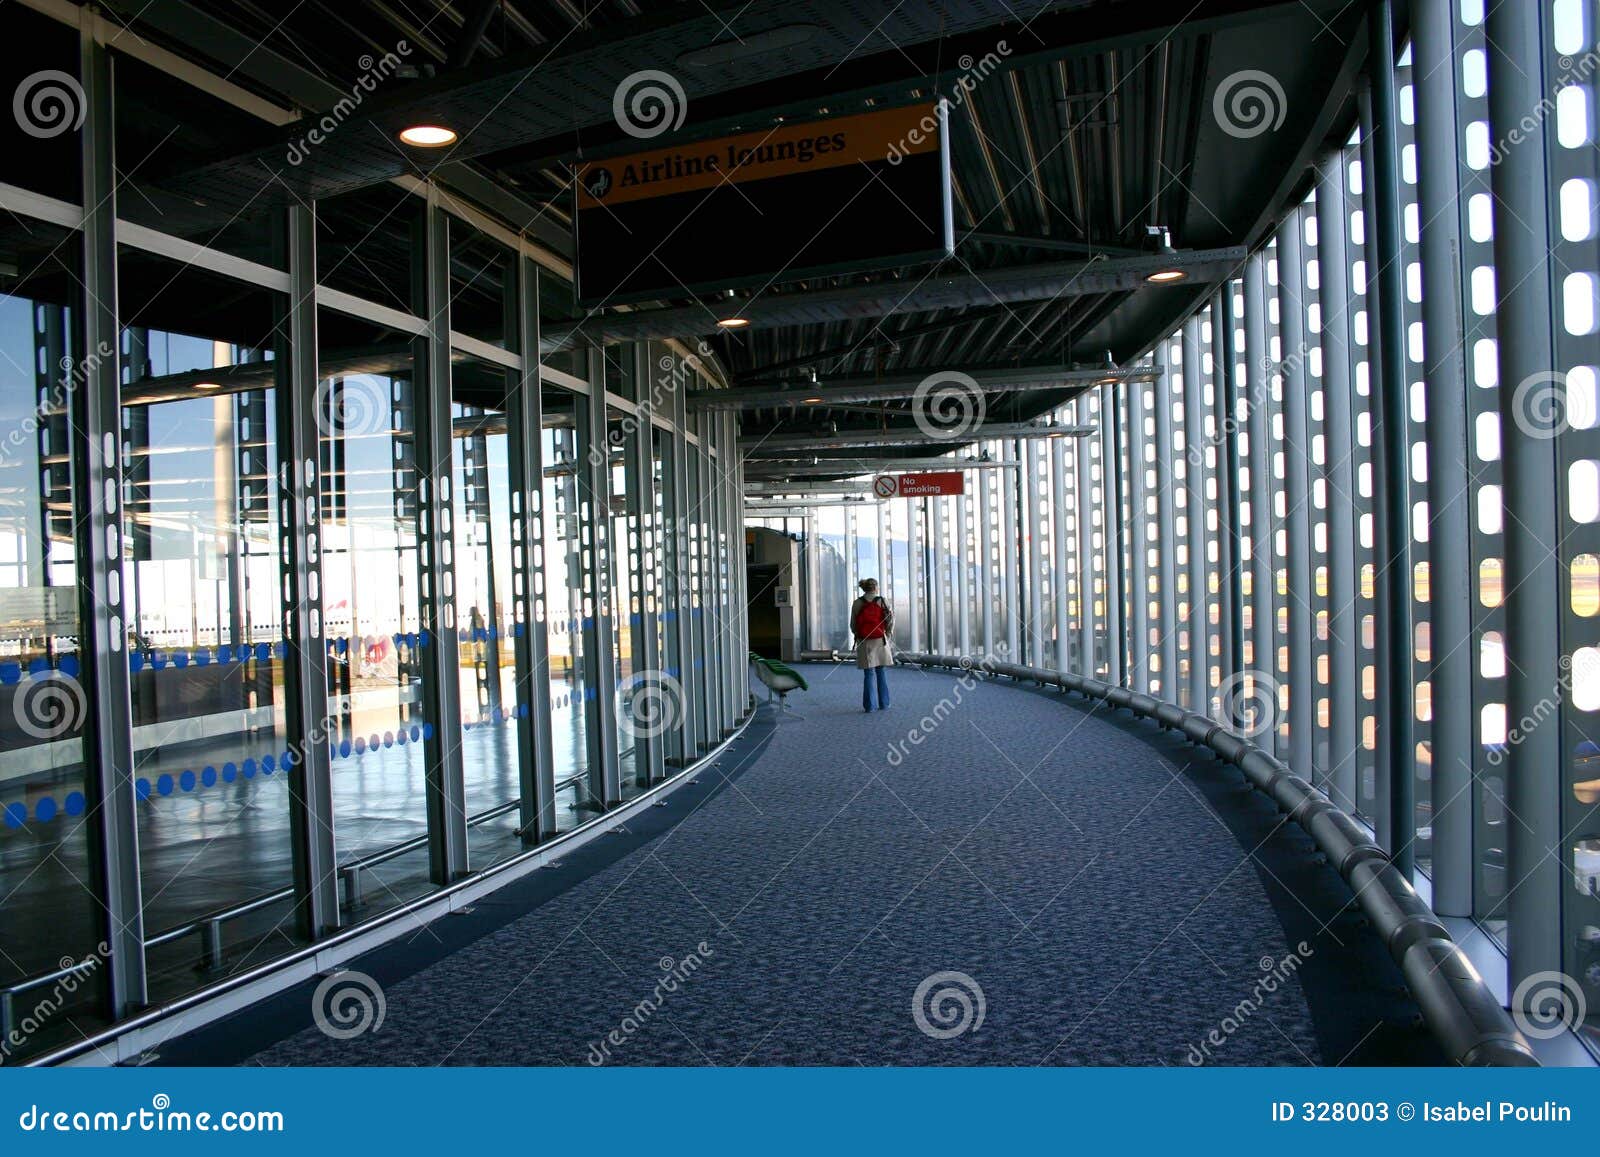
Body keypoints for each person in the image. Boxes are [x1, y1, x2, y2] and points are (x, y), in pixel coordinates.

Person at [850, 578, 894, 712]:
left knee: (868, 674)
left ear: (864, 588)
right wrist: (888, 633)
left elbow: (853, 625)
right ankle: (884, 704)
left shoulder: (857, 603)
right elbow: (890, 620)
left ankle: (869, 706)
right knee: (881, 672)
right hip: (880, 640)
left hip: (864, 641)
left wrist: (859, 635)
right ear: (876, 587)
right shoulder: (882, 601)